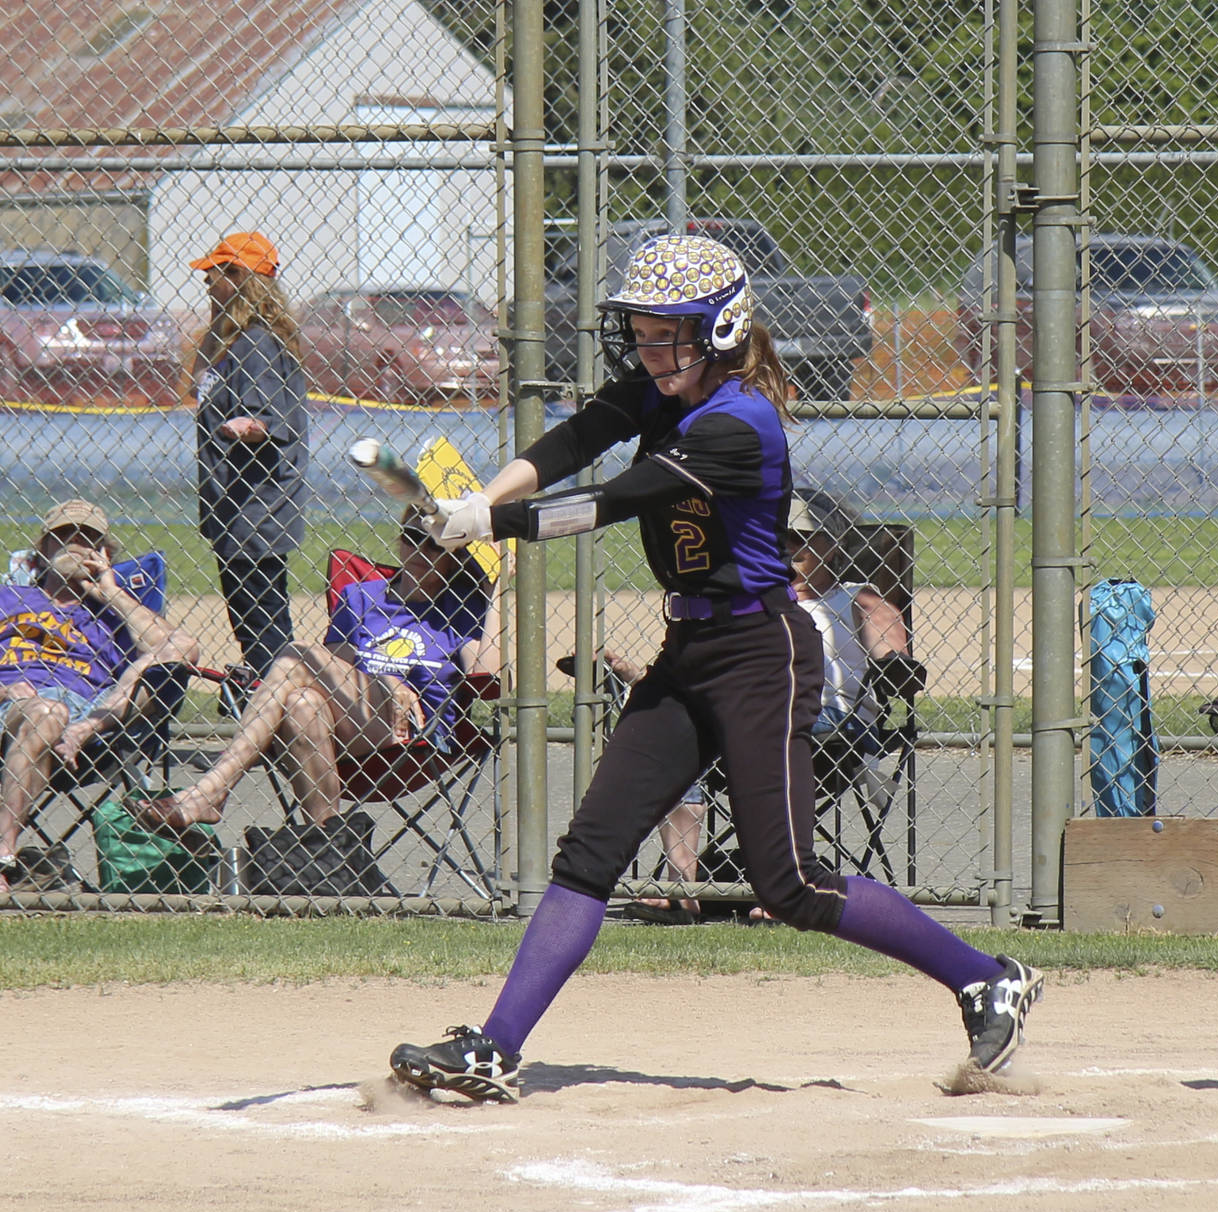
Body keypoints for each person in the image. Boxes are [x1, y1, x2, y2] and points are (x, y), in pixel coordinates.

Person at [384, 233, 1042, 1102]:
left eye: (669, 335)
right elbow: (577, 440)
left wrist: (490, 530)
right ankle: (497, 1046)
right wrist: (484, 498)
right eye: (643, 332)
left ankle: (985, 978)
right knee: (591, 852)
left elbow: (617, 501)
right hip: (689, 650)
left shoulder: (740, 422)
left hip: (761, 655)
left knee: (793, 882)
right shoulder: (661, 388)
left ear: (721, 331)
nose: (650, 350)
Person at [621, 487, 924, 923]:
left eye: (802, 537)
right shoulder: (745, 602)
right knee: (679, 736)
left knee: (765, 730)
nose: (787, 546)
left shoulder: (858, 598)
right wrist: (634, 673)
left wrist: (894, 664)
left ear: (834, 543)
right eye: (779, 534)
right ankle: (682, 890)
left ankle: (785, 891)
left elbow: (892, 647)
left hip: (827, 729)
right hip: (735, 719)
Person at [126, 514, 490, 834]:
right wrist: (386, 682)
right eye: (413, 537)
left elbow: (485, 672)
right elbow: (333, 666)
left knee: (297, 654)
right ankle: (328, 848)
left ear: (454, 553)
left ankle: (214, 788)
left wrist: (497, 586)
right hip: (353, 720)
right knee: (303, 703)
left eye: (436, 544)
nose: (422, 551)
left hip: (416, 730)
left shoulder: (461, 606)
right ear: (398, 540)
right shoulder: (361, 597)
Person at [0, 501, 199, 892]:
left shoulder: (115, 611)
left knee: (150, 670)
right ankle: (4, 851)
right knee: (46, 710)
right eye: (64, 537)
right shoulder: (8, 597)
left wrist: (110, 593)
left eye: (89, 539)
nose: (76, 545)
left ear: (105, 553)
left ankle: (77, 733)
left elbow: (183, 648)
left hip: (92, 713)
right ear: (42, 548)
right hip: (12, 701)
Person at [190, 230, 309, 674]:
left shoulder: (256, 343)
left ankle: (280, 717)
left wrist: (250, 427)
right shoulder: (236, 341)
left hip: (255, 507)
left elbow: (274, 421)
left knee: (262, 626)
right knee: (254, 622)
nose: (206, 286)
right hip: (236, 507)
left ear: (238, 277)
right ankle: (275, 709)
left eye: (214, 276)